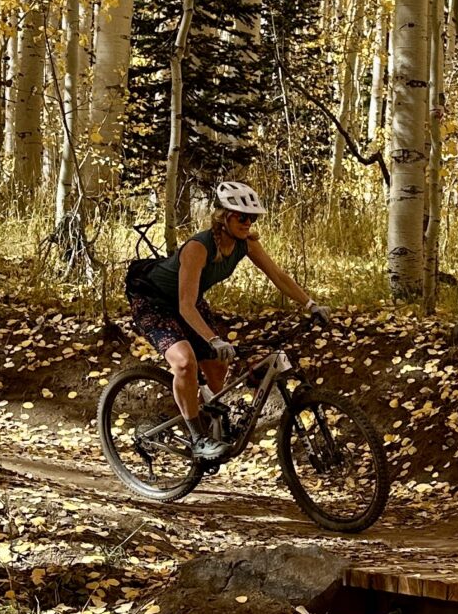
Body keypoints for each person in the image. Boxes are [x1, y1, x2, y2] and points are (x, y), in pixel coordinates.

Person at [123, 181, 326, 436]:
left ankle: (211, 422)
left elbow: (278, 275)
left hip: (188, 300)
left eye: (252, 218)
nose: (248, 223)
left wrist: (311, 304)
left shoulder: (246, 243)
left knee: (218, 366)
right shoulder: (198, 247)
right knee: (185, 363)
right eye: (242, 217)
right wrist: (213, 339)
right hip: (153, 300)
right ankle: (197, 438)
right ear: (224, 217)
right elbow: (186, 306)